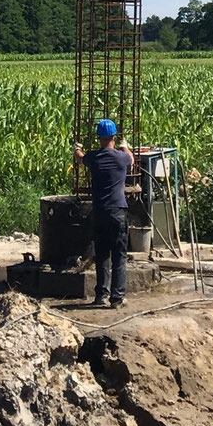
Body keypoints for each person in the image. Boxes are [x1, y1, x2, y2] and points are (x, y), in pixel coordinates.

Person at [74, 116, 133, 308]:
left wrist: (77, 148)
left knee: (102, 255)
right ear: (114, 137)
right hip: (118, 212)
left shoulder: (94, 158)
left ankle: (101, 295)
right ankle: (117, 298)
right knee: (119, 255)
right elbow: (131, 158)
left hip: (99, 212)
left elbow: (80, 157)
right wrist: (124, 145)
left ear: (99, 138)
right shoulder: (122, 158)